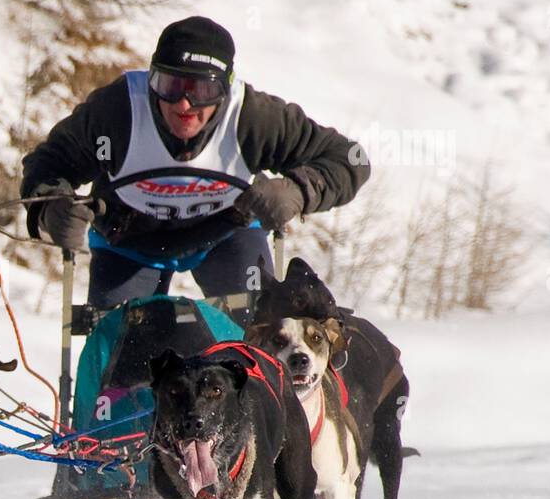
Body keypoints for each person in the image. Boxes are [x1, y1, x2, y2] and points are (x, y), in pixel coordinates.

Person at [22, 16, 370, 309]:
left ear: (225, 90)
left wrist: (297, 190)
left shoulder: (253, 119)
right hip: (129, 238)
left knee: (254, 334)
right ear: (151, 79)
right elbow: (50, 162)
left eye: (202, 91)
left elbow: (351, 159)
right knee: (115, 350)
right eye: (169, 85)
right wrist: (51, 208)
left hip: (225, 232)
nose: (184, 104)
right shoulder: (119, 112)